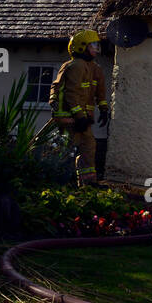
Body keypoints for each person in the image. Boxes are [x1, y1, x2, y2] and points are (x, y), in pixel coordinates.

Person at [50, 29, 109, 187]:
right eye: (93, 45)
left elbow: (98, 91)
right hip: (70, 117)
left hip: (82, 117)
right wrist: (79, 116)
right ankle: (58, 181)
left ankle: (87, 183)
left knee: (88, 147)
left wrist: (103, 109)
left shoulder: (93, 67)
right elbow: (71, 93)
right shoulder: (76, 66)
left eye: (97, 45)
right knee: (66, 148)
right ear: (82, 46)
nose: (96, 48)